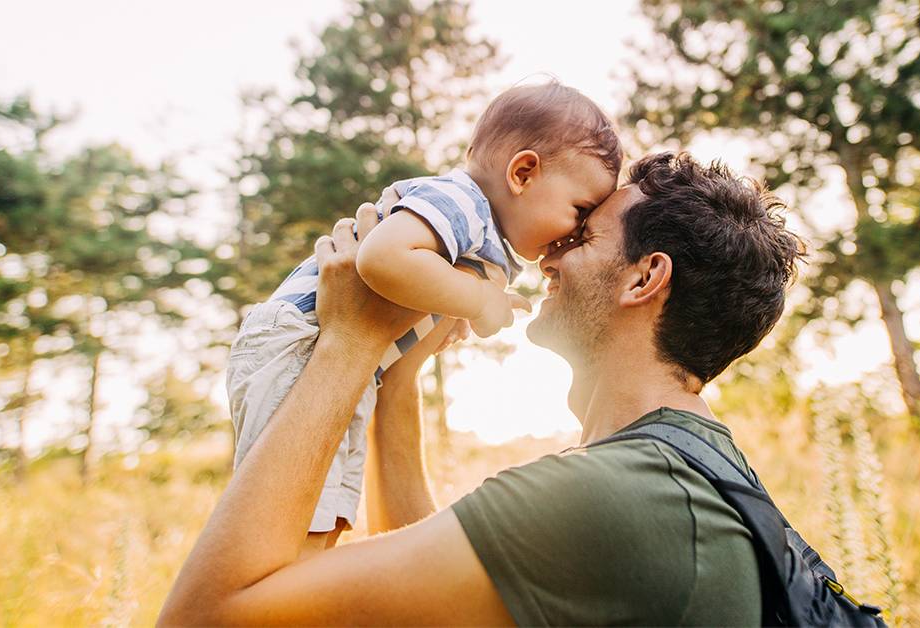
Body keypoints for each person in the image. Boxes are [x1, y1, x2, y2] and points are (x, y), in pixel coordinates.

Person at [160, 152, 806, 625]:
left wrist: (348, 344)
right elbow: (436, 591)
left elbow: (204, 618)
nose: (545, 255)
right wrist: (396, 375)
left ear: (643, 279)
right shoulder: (684, 475)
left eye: (580, 234)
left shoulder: (615, 498)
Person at [226, 79, 621, 555]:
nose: (573, 235)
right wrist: (476, 300)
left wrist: (449, 304)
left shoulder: (483, 231)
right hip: (299, 341)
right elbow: (381, 258)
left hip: (341, 363)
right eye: (579, 211)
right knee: (289, 521)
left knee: (323, 516)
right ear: (523, 173)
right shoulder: (461, 203)